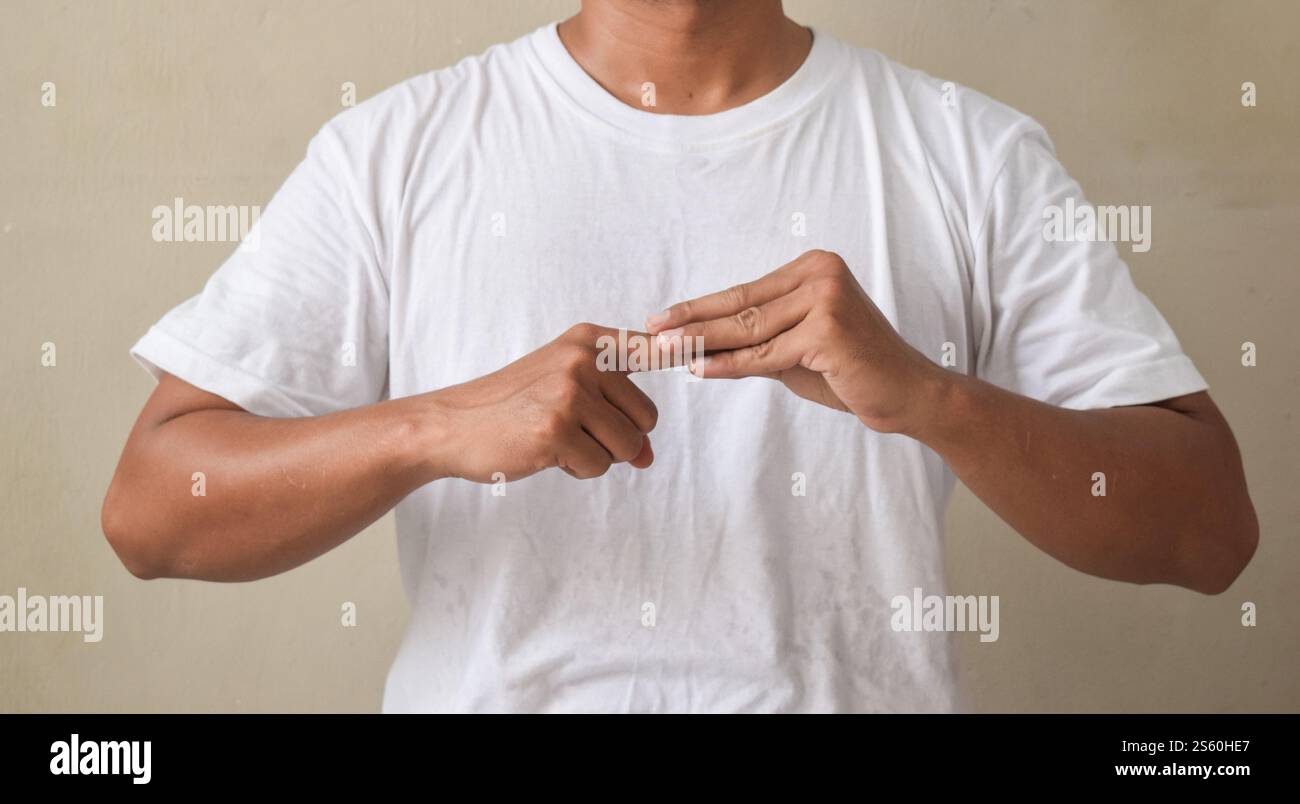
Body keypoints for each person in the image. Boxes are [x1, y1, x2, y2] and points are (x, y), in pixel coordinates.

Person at [102, 0, 1257, 712]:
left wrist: (931, 397)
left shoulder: (969, 153)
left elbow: (1209, 532)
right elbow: (153, 509)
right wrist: (438, 426)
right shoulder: (394, 152)